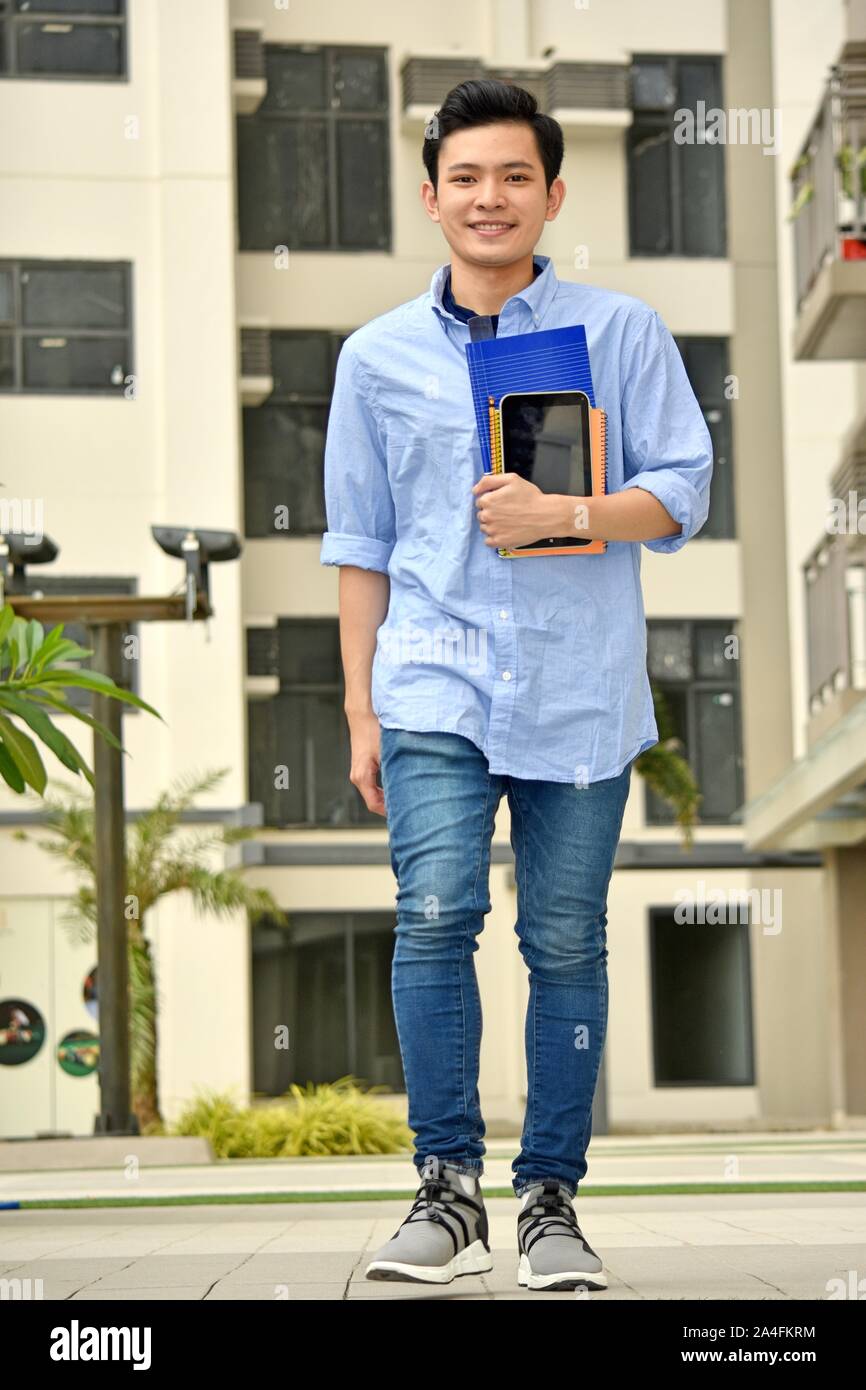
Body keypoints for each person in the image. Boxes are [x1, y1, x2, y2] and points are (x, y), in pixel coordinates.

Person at [320, 78, 713, 1292]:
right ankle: (446, 1188)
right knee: (435, 913)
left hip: (576, 691)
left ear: (551, 192)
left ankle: (549, 1198)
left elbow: (684, 492)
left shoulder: (622, 330)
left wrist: (571, 511)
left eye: (514, 178)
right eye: (465, 177)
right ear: (430, 193)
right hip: (430, 677)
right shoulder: (373, 356)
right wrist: (359, 710)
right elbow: (359, 542)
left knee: (561, 939)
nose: (489, 198)